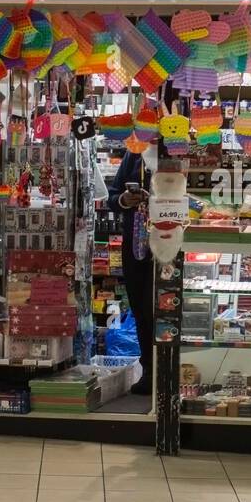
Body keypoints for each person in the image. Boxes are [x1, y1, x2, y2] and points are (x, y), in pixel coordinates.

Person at [106, 147, 155, 395]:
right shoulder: (134, 154)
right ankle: (149, 370)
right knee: (140, 308)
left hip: (170, 243)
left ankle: (167, 368)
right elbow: (112, 197)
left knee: (156, 307)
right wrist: (126, 200)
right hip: (136, 243)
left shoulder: (179, 149)